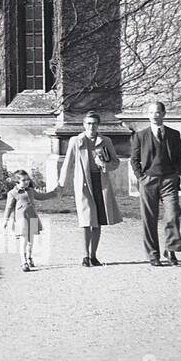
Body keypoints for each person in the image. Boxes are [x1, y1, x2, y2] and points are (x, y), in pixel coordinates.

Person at [56, 110, 122, 267]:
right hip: (83, 183)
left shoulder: (105, 141)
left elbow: (116, 162)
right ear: (84, 125)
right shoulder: (76, 141)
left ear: (98, 125)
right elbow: (67, 163)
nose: (91, 127)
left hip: (100, 182)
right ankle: (85, 256)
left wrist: (105, 165)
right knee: (86, 220)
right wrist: (61, 184)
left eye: (94, 123)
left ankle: (93, 255)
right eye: (88, 123)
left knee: (98, 220)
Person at [129, 100, 181, 267]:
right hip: (148, 180)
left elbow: (180, 158)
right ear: (148, 115)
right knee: (149, 219)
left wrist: (176, 174)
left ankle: (171, 249)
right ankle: (153, 254)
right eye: (151, 112)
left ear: (163, 114)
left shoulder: (174, 134)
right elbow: (134, 159)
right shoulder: (140, 136)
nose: (154, 116)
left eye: (157, 112)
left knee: (173, 214)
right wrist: (141, 178)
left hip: (169, 180)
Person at [3, 169, 45, 272]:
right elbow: (8, 207)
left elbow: (41, 196)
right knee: (23, 241)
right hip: (21, 220)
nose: (26, 182)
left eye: (27, 180)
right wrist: (6, 219)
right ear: (17, 182)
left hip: (32, 217)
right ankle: (24, 262)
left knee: (31, 241)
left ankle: (30, 257)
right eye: (23, 180)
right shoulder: (13, 193)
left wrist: (54, 193)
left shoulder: (30, 191)